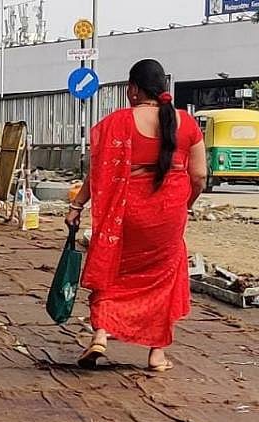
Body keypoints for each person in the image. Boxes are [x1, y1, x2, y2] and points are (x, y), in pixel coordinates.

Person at [67, 59, 207, 372]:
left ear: (133, 89)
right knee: (165, 276)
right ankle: (156, 355)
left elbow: (98, 173)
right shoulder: (186, 123)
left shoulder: (119, 121)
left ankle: (101, 335)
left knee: (113, 269)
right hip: (169, 213)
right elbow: (199, 176)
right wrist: (186, 204)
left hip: (126, 211)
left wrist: (76, 206)